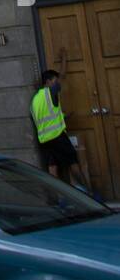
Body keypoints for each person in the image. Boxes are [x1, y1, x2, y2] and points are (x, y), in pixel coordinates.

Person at [30, 52, 86, 187]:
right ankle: (87, 193)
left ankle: (56, 199)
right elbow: (62, 76)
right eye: (53, 81)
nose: (56, 83)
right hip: (58, 137)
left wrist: (64, 116)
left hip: (44, 141)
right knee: (73, 162)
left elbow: (45, 118)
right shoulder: (50, 92)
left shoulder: (35, 100)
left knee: (52, 168)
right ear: (48, 82)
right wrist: (64, 59)